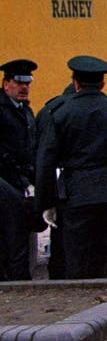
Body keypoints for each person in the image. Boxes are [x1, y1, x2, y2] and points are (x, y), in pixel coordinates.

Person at [34, 56, 107, 279]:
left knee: (77, 258)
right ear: (102, 84)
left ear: (76, 83)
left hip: (77, 193)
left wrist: (46, 201)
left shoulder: (59, 113)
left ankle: (82, 307)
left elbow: (46, 160)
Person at [1, 59, 39, 280]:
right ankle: (15, 279)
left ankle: (18, 277)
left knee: (19, 233)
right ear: (7, 84)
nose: (24, 87)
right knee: (11, 235)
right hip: (4, 181)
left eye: (28, 82)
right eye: (19, 82)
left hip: (19, 181)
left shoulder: (26, 111)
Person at [34, 82, 75, 279]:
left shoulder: (50, 111)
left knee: (60, 238)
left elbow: (43, 157)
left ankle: (59, 276)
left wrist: (44, 200)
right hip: (98, 188)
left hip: (61, 185)